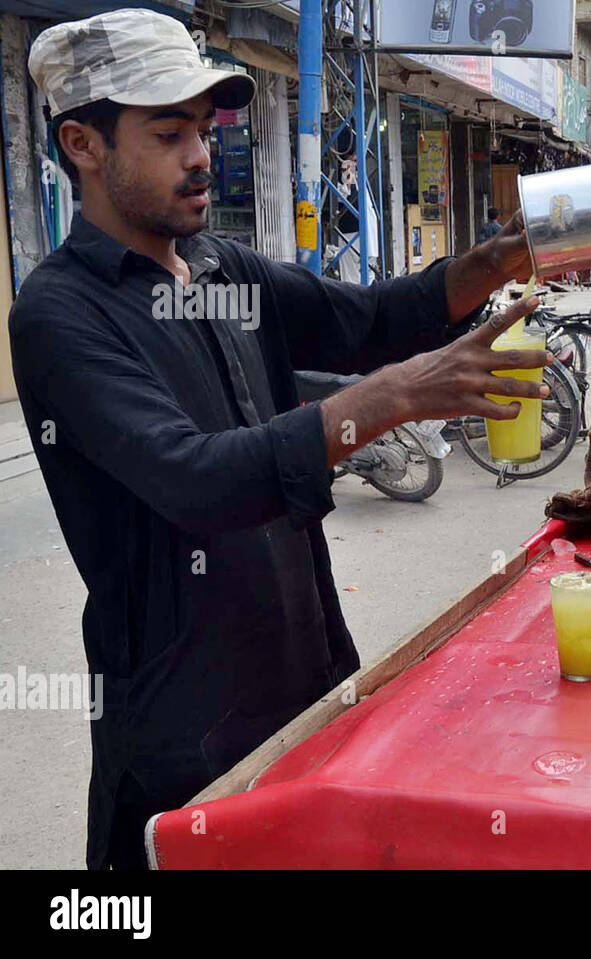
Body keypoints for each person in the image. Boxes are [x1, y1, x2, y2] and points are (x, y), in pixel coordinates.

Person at [11, 9, 545, 869]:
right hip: (182, 722)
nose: (199, 155)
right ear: (83, 144)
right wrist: (388, 401)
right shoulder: (60, 315)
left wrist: (493, 261)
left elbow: (370, 319)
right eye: (168, 133)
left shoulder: (222, 272)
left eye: (204, 129)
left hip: (307, 667)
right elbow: (196, 479)